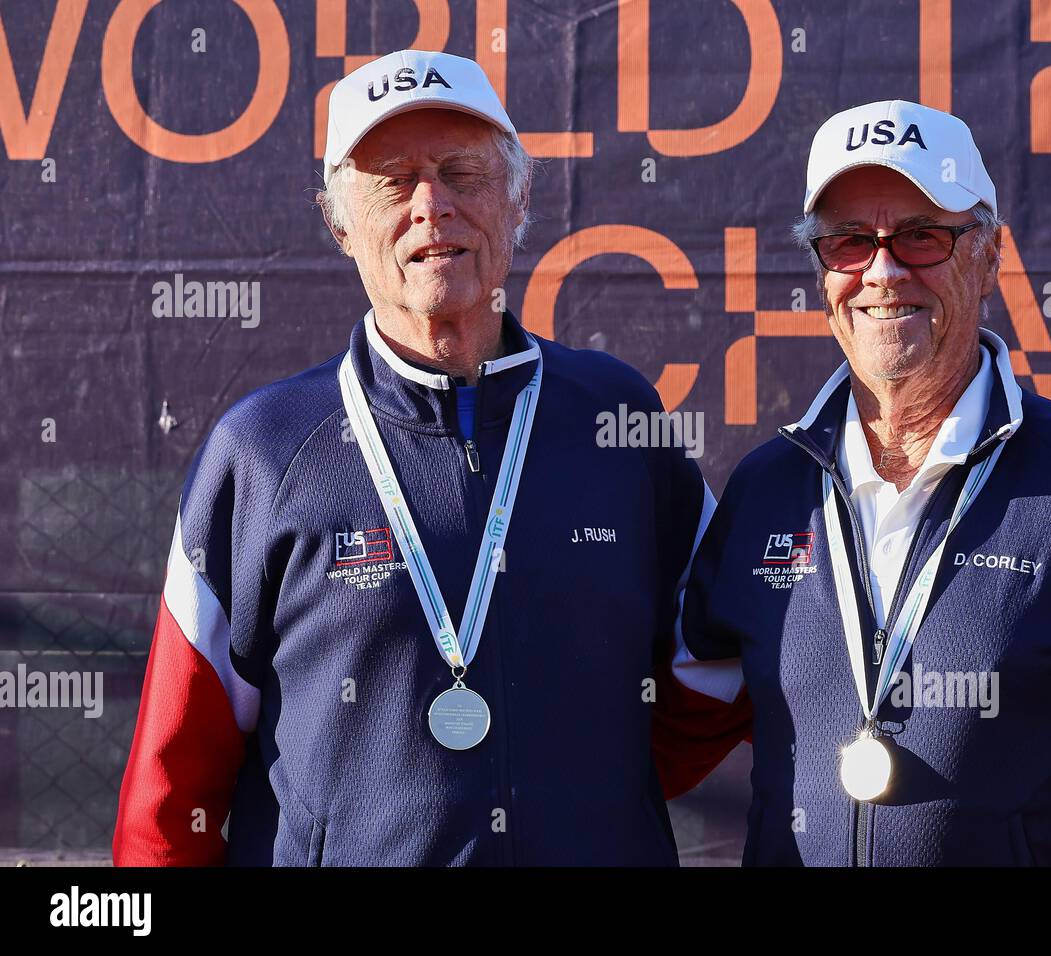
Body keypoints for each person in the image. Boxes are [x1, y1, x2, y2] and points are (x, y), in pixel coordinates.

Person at [113, 50, 706, 866]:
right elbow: (175, 775)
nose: (434, 206)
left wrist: (594, 801)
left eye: (463, 174)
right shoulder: (262, 450)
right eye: (394, 182)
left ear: (520, 197)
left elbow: (716, 663)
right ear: (339, 221)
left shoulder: (618, 417)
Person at [672, 99, 1051, 866]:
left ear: (989, 254)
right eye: (848, 242)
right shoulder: (768, 489)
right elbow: (654, 740)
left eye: (920, 236)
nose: (882, 271)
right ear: (821, 269)